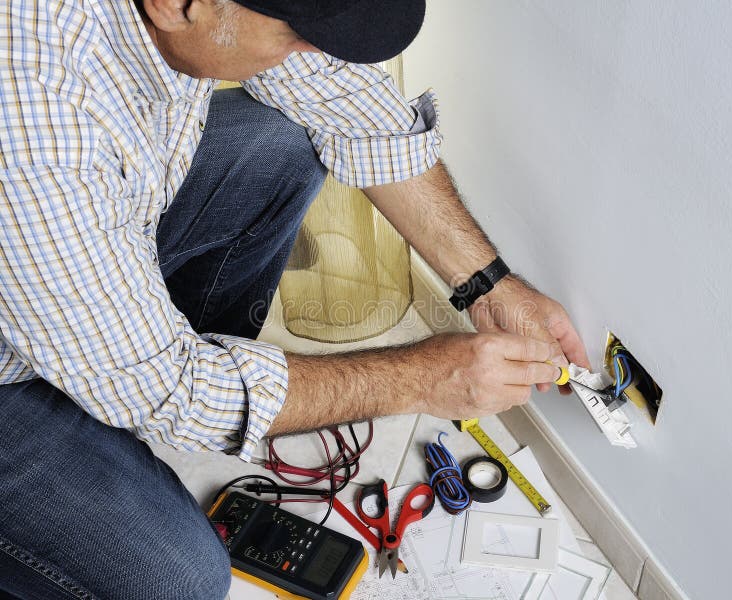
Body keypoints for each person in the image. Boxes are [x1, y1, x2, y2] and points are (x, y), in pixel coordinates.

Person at [0, 0, 589, 597]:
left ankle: (115, 380)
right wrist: (421, 378)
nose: (312, 52)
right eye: (295, 35)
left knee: (278, 142)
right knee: (177, 580)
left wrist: (489, 284)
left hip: (62, 255)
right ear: (176, 6)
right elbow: (167, 386)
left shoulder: (208, 14)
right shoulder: (37, 120)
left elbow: (347, 104)